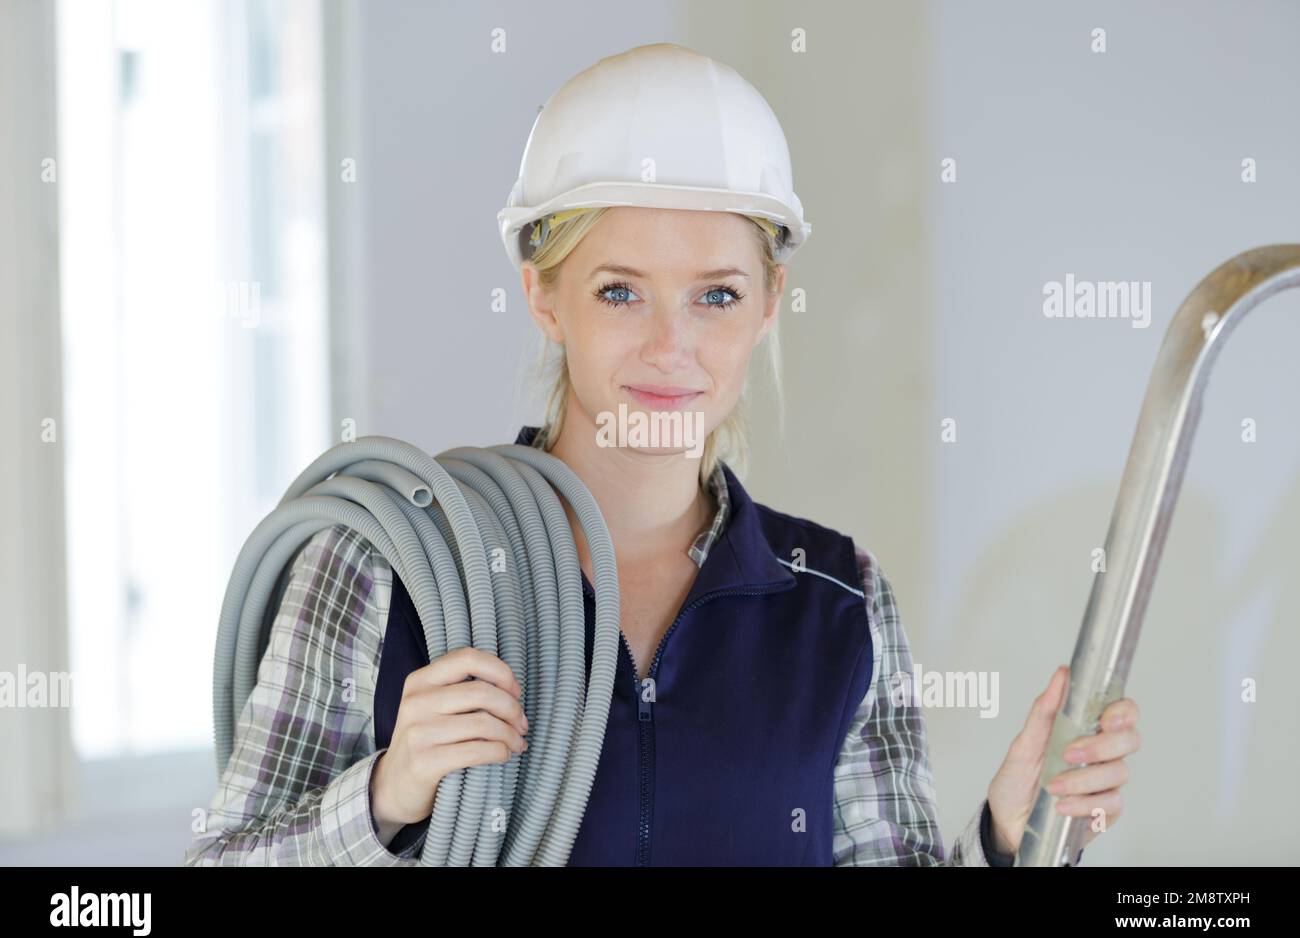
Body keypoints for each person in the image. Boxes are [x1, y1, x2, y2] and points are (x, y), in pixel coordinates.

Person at [184, 42, 1139, 866]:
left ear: (769, 305)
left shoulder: (836, 598)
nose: (669, 347)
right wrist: (388, 796)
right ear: (542, 296)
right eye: (619, 291)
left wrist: (1012, 834)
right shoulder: (390, 564)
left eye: (716, 294)